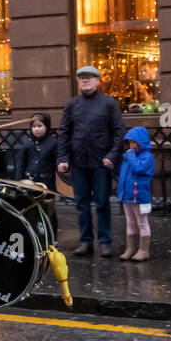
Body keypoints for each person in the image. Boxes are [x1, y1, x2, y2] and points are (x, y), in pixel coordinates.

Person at [56, 66, 126, 257]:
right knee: (81, 204)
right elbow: (64, 133)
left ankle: (104, 242)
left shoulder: (108, 103)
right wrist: (63, 159)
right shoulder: (73, 105)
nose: (85, 81)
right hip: (78, 163)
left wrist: (111, 156)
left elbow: (119, 132)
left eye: (89, 77)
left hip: (101, 163)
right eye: (82, 78)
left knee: (103, 203)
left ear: (98, 81)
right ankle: (85, 242)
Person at [7, 112, 59, 234]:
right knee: (30, 210)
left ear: (47, 126)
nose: (36, 129)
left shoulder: (53, 142)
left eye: (39, 126)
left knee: (49, 212)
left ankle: (52, 237)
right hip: (29, 184)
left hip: (47, 184)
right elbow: (20, 164)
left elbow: (58, 161)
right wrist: (18, 181)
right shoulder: (27, 143)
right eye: (34, 126)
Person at [116, 126, 155, 261]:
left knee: (142, 222)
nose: (132, 145)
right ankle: (131, 248)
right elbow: (123, 175)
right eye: (130, 142)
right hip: (128, 195)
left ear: (142, 142)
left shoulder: (147, 157)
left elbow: (139, 168)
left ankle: (144, 250)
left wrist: (131, 156)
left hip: (139, 196)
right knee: (130, 222)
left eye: (135, 142)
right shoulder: (130, 157)